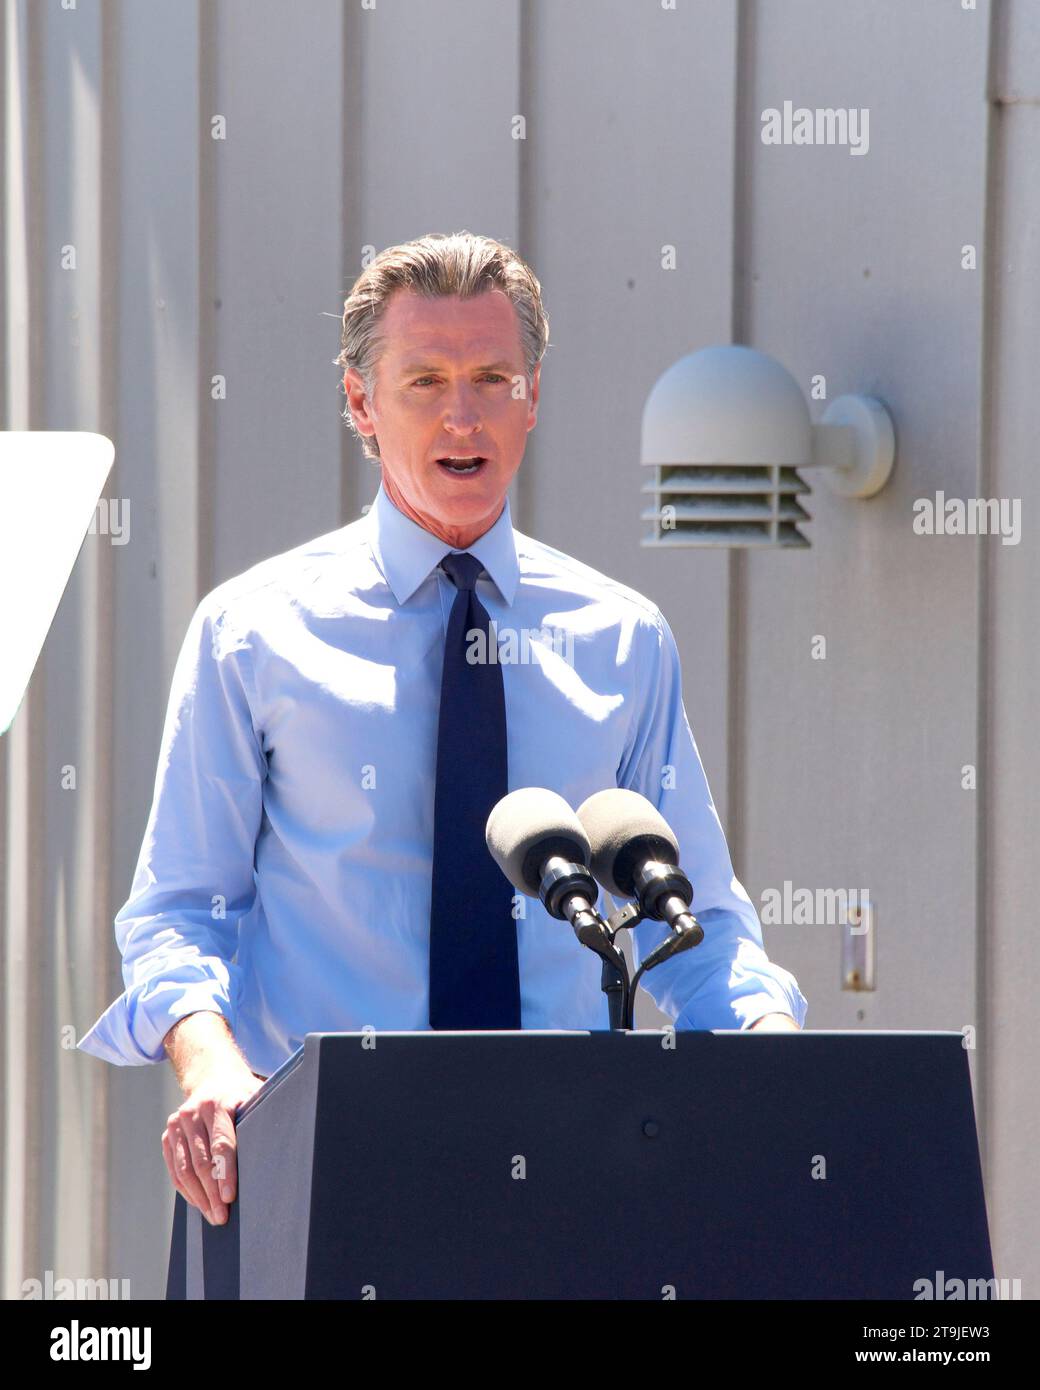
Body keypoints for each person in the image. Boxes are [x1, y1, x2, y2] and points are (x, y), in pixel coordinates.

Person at [79, 231, 806, 1231]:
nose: (462, 414)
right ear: (359, 404)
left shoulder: (620, 638)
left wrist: (782, 1050)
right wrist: (208, 1065)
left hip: (577, 1181)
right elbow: (177, 912)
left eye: (492, 377)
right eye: (422, 380)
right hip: (323, 1178)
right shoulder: (250, 634)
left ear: (533, 399)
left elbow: (693, 930)